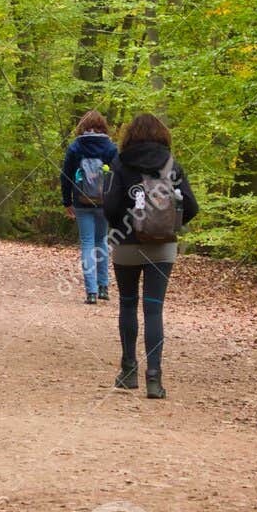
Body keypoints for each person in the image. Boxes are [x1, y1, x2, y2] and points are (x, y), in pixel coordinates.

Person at [103, 113, 198, 398]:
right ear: (162, 135)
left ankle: (129, 370)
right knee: (154, 310)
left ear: (130, 135)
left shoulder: (120, 164)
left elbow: (109, 207)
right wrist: (170, 224)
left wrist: (124, 224)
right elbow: (191, 206)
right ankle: (154, 378)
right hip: (162, 247)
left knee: (128, 305)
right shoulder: (172, 165)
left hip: (126, 245)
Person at [61, 110, 119, 305]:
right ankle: (104, 287)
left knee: (87, 243)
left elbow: (66, 175)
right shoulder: (110, 147)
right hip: (105, 202)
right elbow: (118, 175)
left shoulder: (76, 146)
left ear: (82, 127)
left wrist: (66, 201)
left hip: (81, 200)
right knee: (101, 241)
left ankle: (91, 291)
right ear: (103, 126)